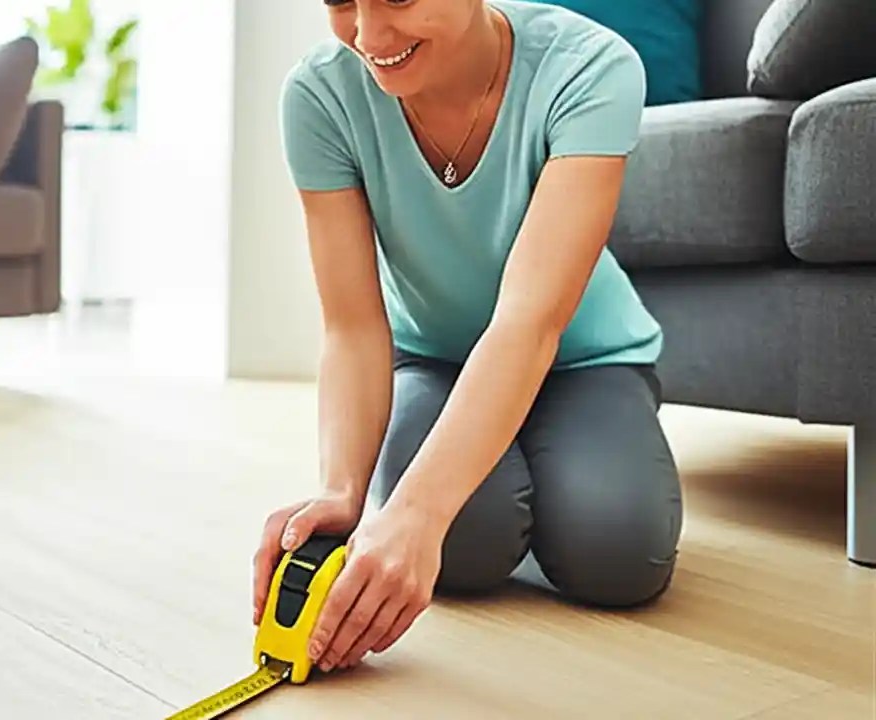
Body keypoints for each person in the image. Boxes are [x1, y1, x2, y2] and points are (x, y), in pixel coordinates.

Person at [251, 0, 684, 675]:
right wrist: (344, 490)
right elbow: (354, 324)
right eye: (340, 1)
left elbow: (529, 320)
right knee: (466, 550)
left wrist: (418, 514)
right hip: (433, 358)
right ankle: (514, 478)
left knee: (618, 554)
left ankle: (567, 472)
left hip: (582, 360)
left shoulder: (591, 68)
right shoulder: (319, 95)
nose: (369, 35)